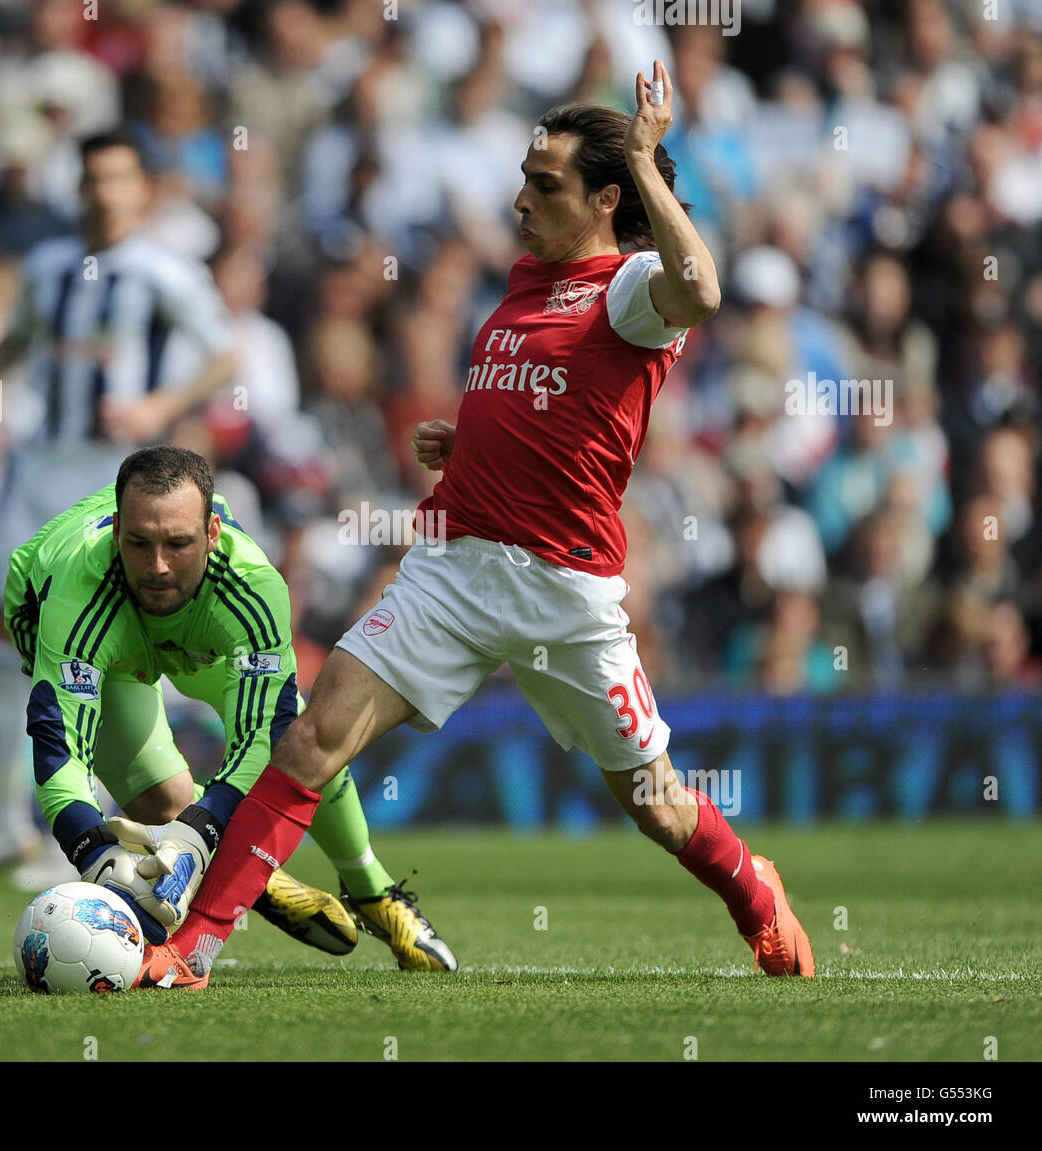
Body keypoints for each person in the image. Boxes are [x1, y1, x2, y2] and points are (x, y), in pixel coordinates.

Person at [150, 63, 815, 988]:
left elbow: (701, 292)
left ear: (605, 199)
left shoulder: (626, 290)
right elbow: (560, 412)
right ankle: (191, 950)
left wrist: (655, 165)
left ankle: (755, 892)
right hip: (454, 570)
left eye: (546, 185)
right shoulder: (522, 290)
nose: (521, 199)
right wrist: (469, 439)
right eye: (523, 177)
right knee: (309, 739)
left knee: (658, 807)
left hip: (564, 594)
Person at [3, 445, 456, 987]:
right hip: (77, 621)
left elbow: (263, 739)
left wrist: (200, 832)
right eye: (139, 543)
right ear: (117, 528)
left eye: (179, 544)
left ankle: (373, 891)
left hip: (201, 631)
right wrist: (92, 849)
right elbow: (61, 751)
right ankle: (254, 877)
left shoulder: (253, 587)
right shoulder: (74, 597)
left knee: (310, 741)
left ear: (212, 532)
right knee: (162, 804)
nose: (158, 567)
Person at [0, 125, 238, 890]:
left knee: (95, 655)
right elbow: (21, 343)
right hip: (39, 473)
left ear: (142, 188)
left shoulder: (164, 271)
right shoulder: (47, 267)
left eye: (118, 178)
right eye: (93, 178)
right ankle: (0, 823)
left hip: (115, 482)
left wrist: (158, 405)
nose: (104, 192)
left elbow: (227, 354)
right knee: (2, 640)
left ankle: (73, 830)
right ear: (79, 188)